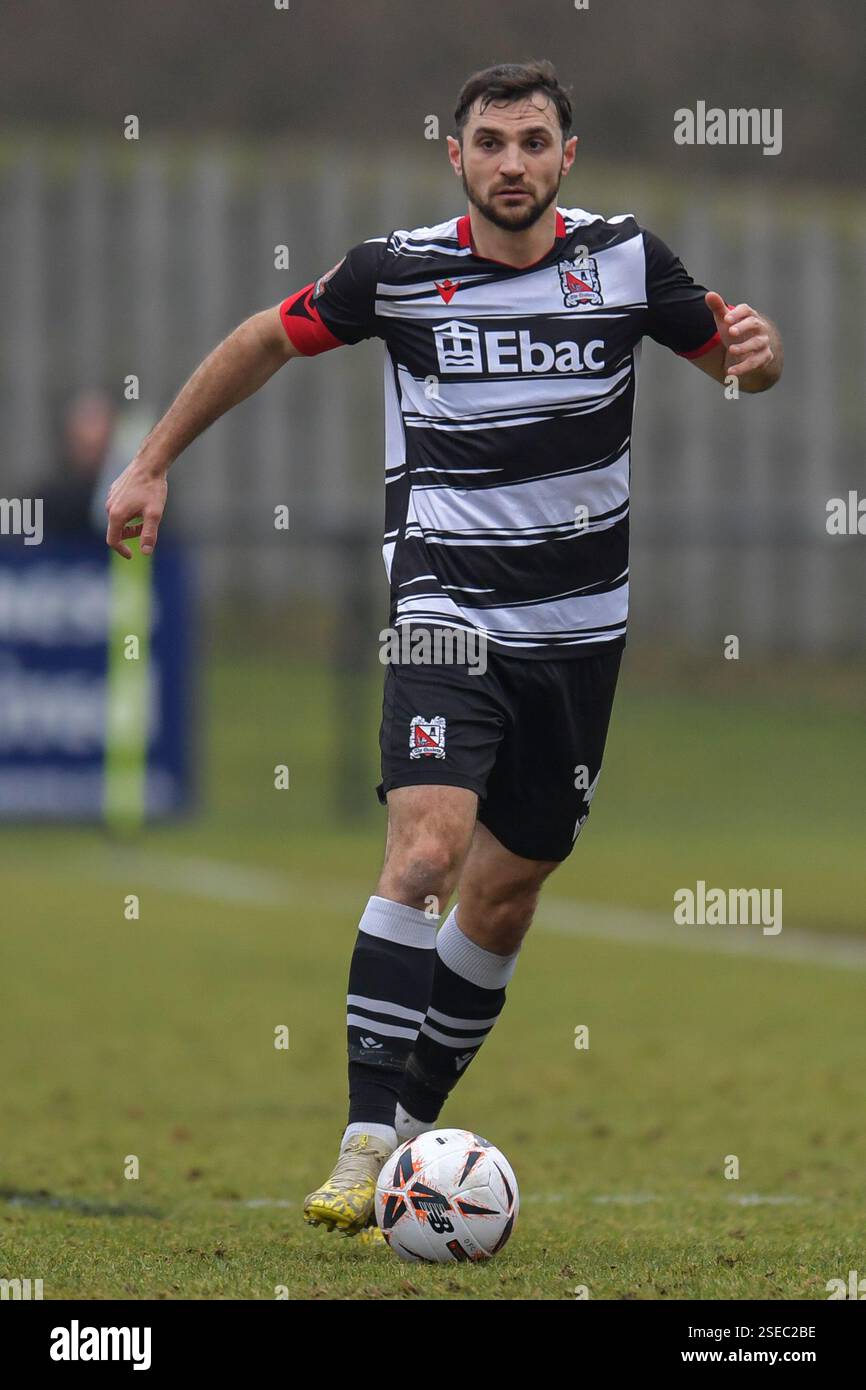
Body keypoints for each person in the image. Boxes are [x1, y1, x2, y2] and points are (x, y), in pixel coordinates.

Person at [105, 60, 782, 1239]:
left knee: (506, 894)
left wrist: (755, 359)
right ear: (454, 156)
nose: (510, 162)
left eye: (532, 142)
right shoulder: (398, 272)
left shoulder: (623, 261)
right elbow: (266, 337)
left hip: (578, 631)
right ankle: (365, 1140)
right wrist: (154, 459)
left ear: (565, 157)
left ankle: (416, 1128)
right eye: (489, 142)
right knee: (425, 847)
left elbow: (732, 355)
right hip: (443, 604)